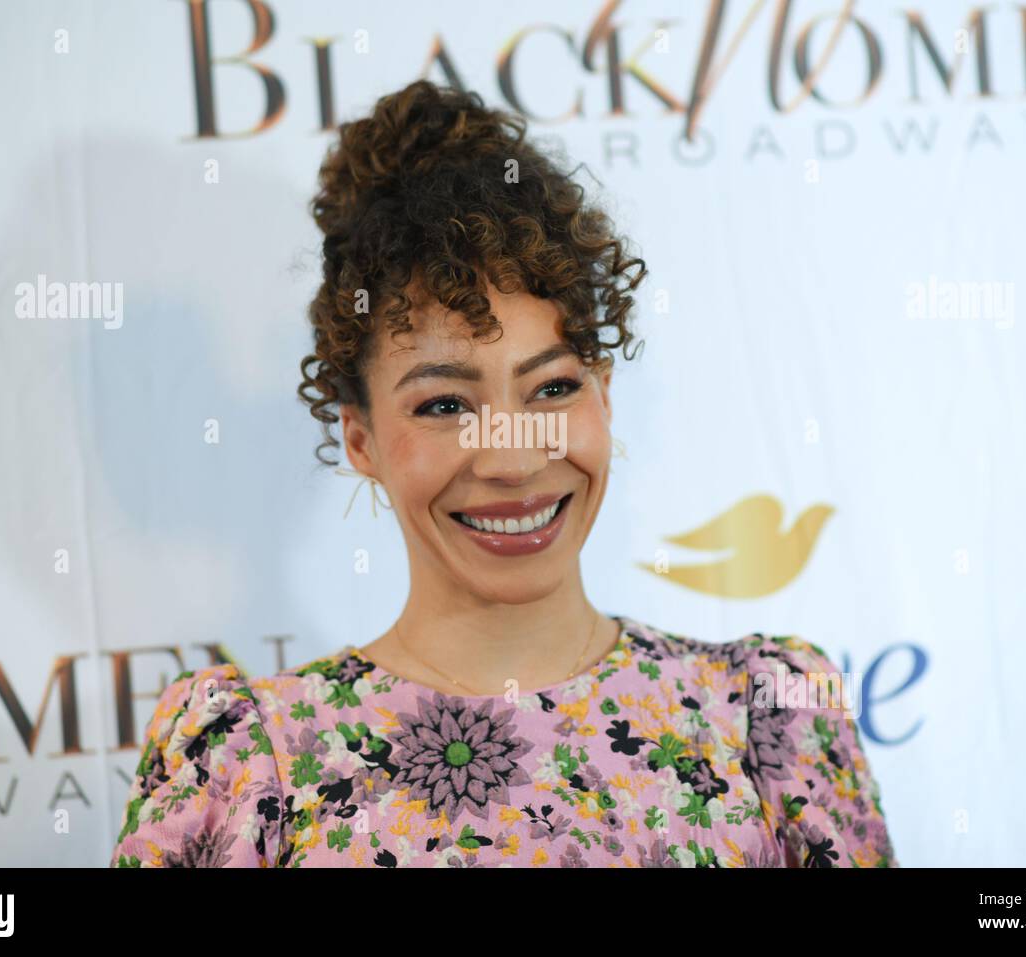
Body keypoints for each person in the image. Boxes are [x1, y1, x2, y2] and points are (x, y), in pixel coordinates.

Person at [109, 79, 897, 868]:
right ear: (361, 441)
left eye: (553, 388)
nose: (514, 458)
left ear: (605, 396)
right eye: (446, 404)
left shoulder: (768, 718)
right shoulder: (249, 764)